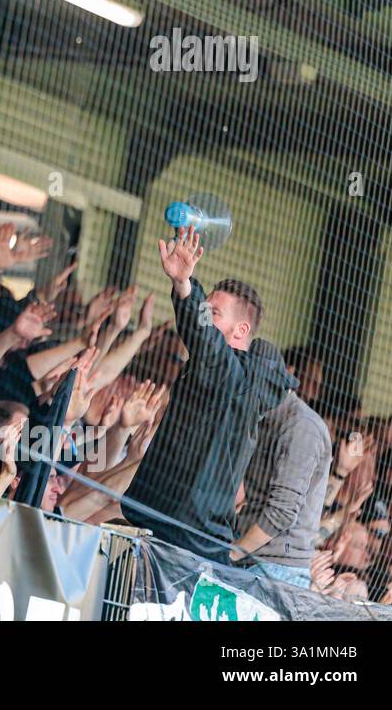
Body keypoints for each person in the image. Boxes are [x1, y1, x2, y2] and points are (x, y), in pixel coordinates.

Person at [121, 229, 296, 564]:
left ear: (240, 331)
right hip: (185, 530)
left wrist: (185, 286)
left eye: (214, 312)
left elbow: (204, 336)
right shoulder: (236, 376)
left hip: (179, 538)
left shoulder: (227, 370)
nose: (205, 314)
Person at [232, 385, 332, 587]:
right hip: (253, 559)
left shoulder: (302, 427)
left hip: (274, 568)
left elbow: (282, 512)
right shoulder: (262, 417)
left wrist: (233, 553)